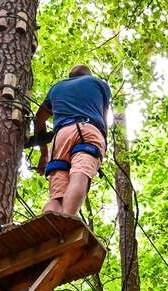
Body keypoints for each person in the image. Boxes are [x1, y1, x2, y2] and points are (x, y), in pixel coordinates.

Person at [32, 65, 112, 217]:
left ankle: (49, 230)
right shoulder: (99, 84)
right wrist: (103, 143)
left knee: (57, 194)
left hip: (61, 136)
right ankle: (67, 220)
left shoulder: (56, 88)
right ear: (89, 75)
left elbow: (39, 119)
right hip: (89, 131)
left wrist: (43, 154)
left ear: (70, 77)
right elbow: (104, 115)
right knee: (79, 174)